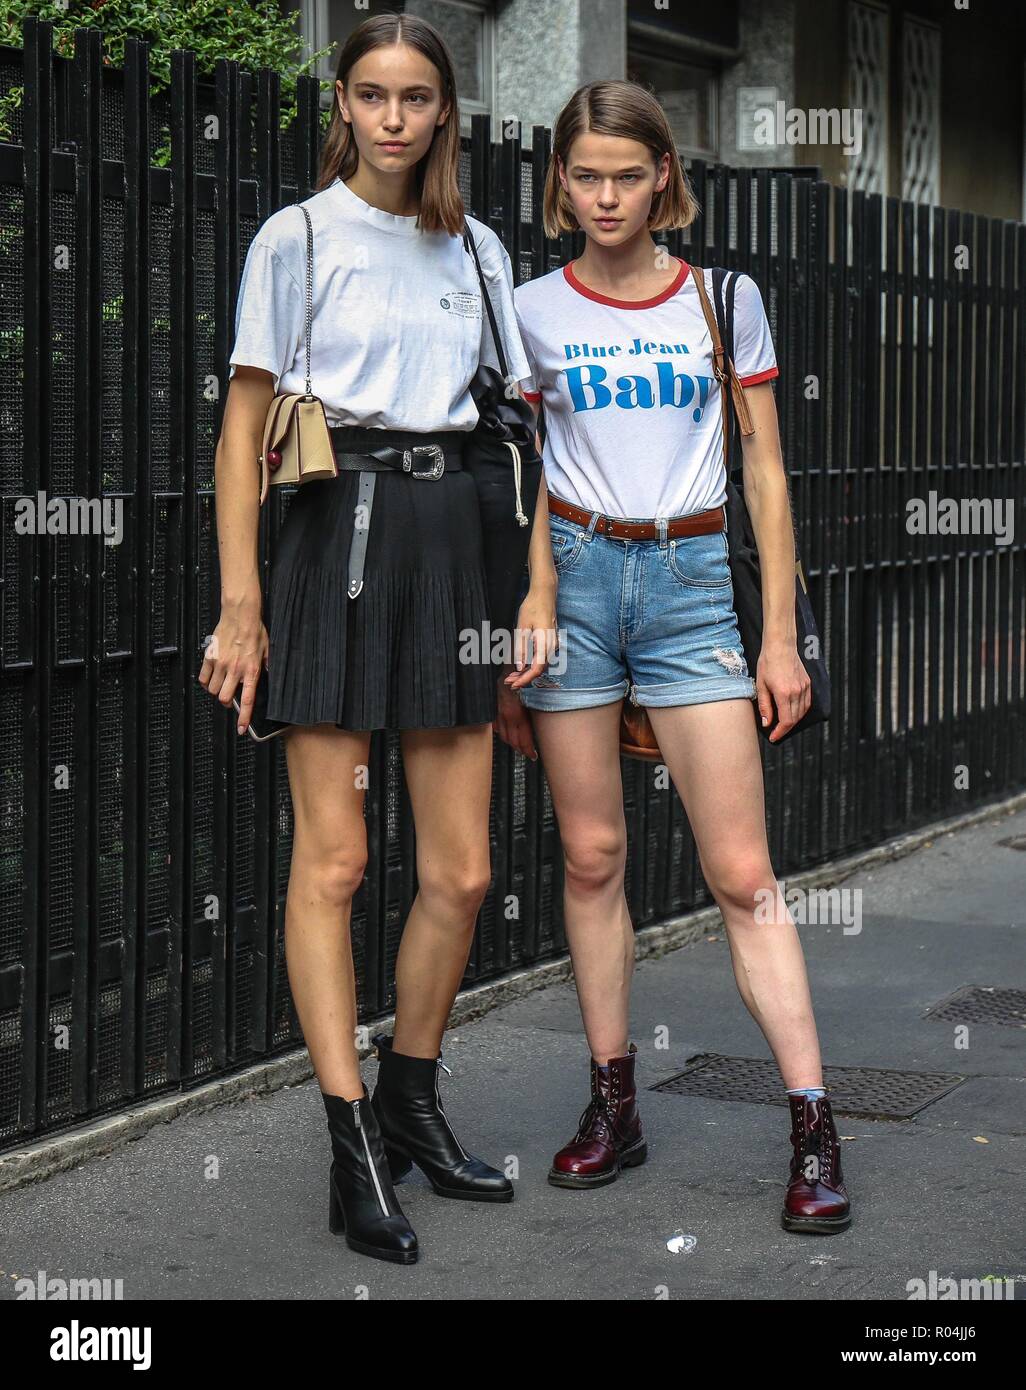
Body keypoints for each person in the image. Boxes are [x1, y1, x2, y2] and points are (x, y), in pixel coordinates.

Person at [199, 12, 556, 1265]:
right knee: (337, 864)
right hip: (331, 542)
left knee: (462, 872)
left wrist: (534, 592)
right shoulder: (294, 237)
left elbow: (520, 432)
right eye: (372, 94)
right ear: (341, 104)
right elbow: (244, 427)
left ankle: (412, 1091)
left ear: (445, 111)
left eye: (417, 97)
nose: (395, 118)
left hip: (457, 542)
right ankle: (350, 1142)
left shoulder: (480, 248)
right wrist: (240, 603)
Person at [497, 79, 851, 1234]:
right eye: (584, 175)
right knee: (593, 855)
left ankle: (812, 1121)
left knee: (743, 873)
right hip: (577, 589)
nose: (605, 195)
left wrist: (780, 632)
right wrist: (534, 601)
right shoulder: (532, 308)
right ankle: (615, 1105)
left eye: (626, 174)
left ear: (665, 179)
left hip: (694, 586)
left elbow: (766, 474)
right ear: (563, 181)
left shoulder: (722, 300)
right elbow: (526, 471)